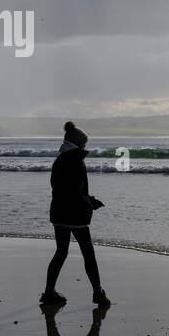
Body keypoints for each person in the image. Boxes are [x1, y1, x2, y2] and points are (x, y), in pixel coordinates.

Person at [40, 121, 111, 306]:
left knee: (61, 253)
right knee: (88, 254)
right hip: (75, 214)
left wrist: (88, 199)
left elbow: (62, 189)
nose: (85, 147)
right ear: (79, 144)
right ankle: (98, 292)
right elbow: (76, 192)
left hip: (58, 213)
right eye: (84, 144)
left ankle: (49, 292)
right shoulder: (76, 161)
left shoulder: (60, 160)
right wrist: (90, 203)